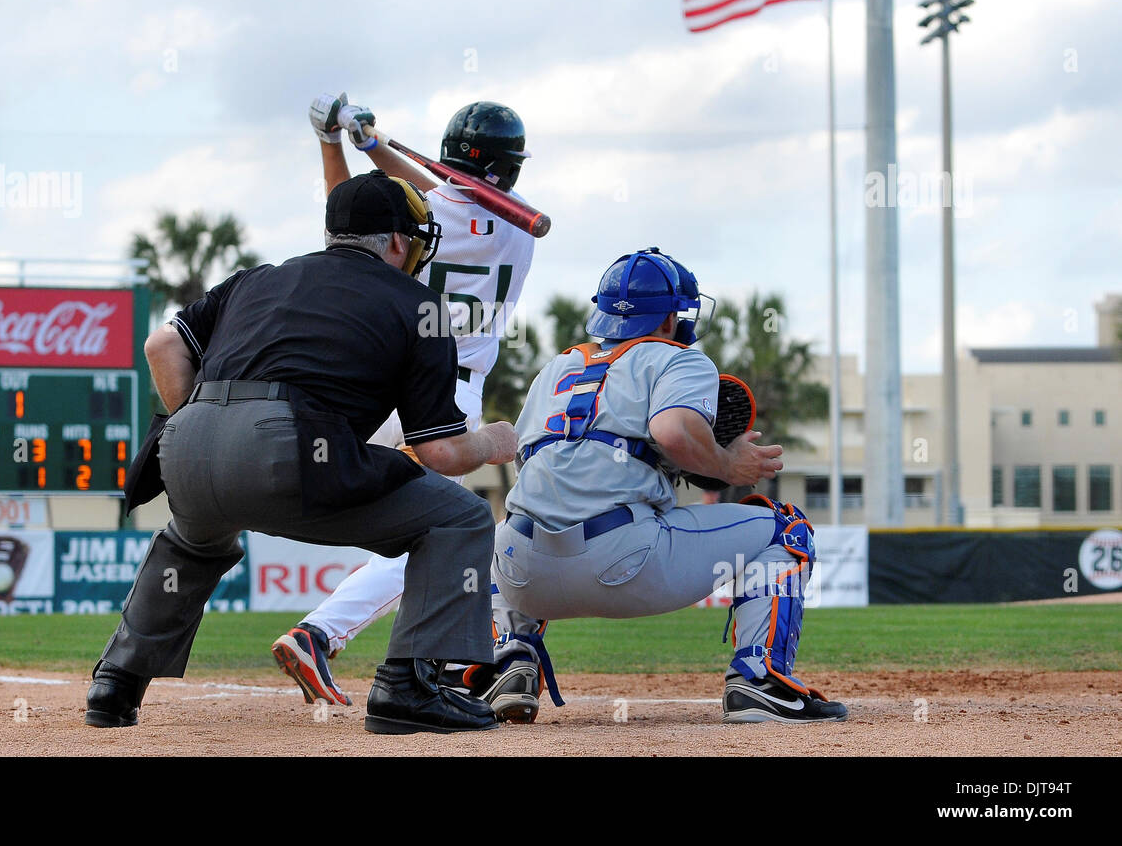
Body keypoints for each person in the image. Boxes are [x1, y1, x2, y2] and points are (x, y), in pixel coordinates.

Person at [85, 170, 519, 735]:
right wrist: (492, 441)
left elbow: (162, 344)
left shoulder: (257, 279)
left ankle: (114, 684)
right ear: (394, 241)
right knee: (458, 516)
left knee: (193, 542)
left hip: (184, 444)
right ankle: (406, 688)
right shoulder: (420, 304)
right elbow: (438, 451)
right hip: (289, 447)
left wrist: (206, 419)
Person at [478, 248, 848, 725]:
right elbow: (673, 431)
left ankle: (510, 658)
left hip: (523, 577)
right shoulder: (680, 360)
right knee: (785, 529)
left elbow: (539, 460)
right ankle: (760, 680)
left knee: (503, 527)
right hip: (624, 563)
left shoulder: (555, 369)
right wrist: (727, 465)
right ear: (672, 317)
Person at [269, 93, 537, 711]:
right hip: (447, 394)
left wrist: (344, 145)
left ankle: (446, 650)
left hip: (376, 386)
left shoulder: (422, 210)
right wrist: (376, 148)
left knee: (429, 528)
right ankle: (323, 633)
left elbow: (349, 228)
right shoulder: (521, 227)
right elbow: (454, 196)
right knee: (448, 532)